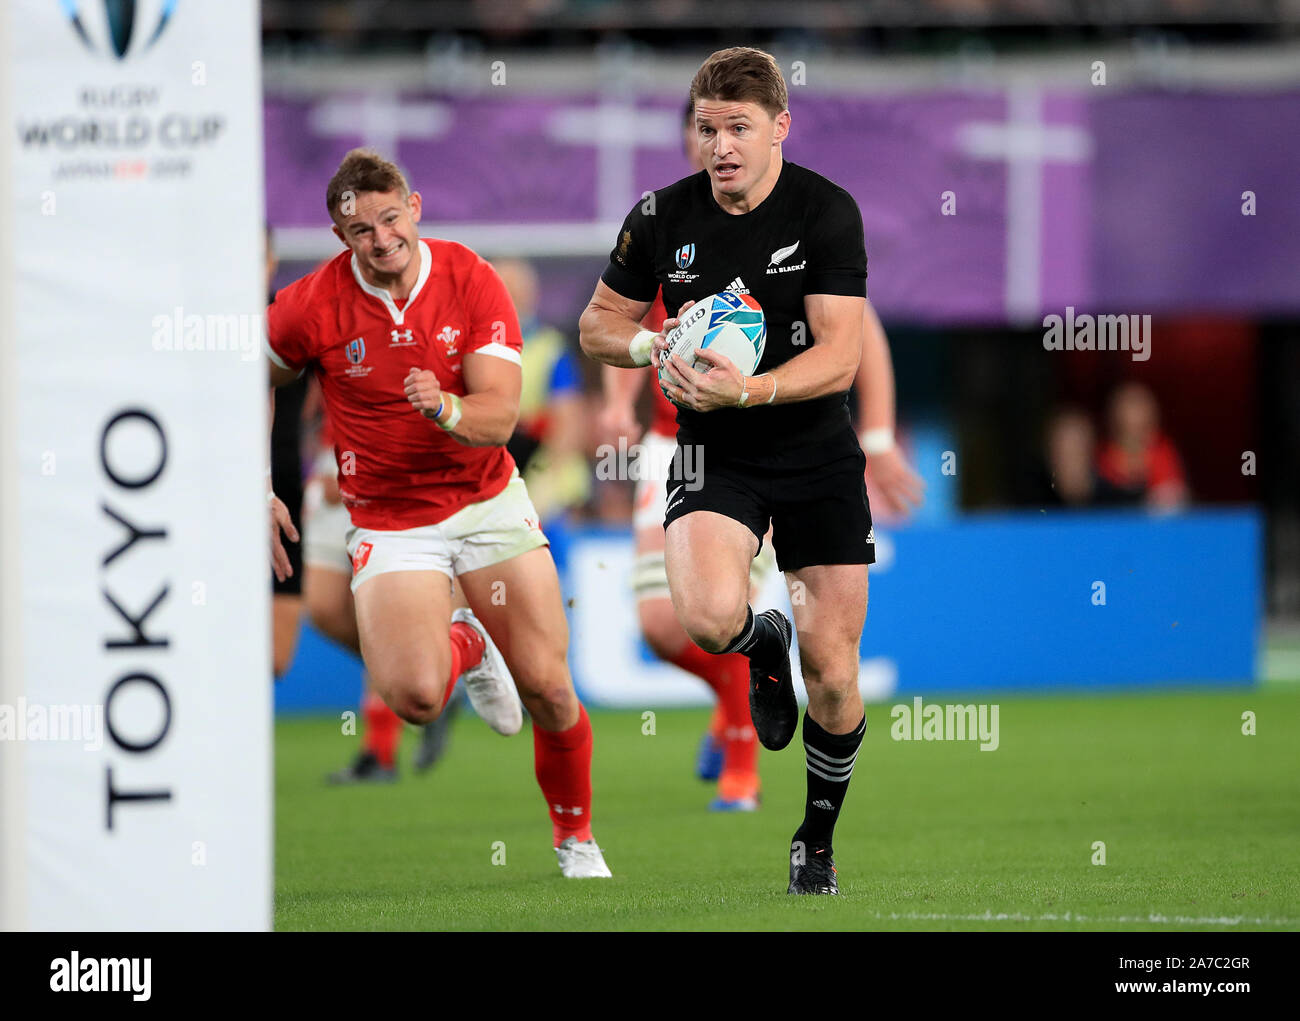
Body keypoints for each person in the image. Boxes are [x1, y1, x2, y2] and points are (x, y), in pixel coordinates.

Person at [267, 148, 610, 878]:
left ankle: (575, 837)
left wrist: (447, 405)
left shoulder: (473, 279)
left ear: (414, 208)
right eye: (361, 230)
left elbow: (499, 416)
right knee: (419, 696)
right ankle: (470, 643)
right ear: (341, 237)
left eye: (391, 218)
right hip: (391, 519)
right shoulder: (311, 303)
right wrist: (259, 481)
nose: (382, 238)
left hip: (486, 499)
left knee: (549, 686)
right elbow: (253, 372)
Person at [580, 48, 873, 894]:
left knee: (836, 672)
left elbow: (842, 356)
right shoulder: (661, 216)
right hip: (713, 448)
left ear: (780, 126)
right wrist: (651, 343)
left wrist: (752, 389)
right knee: (706, 619)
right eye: (707, 128)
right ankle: (760, 636)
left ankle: (815, 837)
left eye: (739, 127)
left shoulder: (825, 211)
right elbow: (598, 322)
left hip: (814, 447)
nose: (721, 145)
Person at [1096, 381, 1189, 509]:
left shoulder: (1162, 452)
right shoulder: (1101, 457)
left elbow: (1172, 500)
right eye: (1131, 404)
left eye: (1143, 406)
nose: (1139, 413)